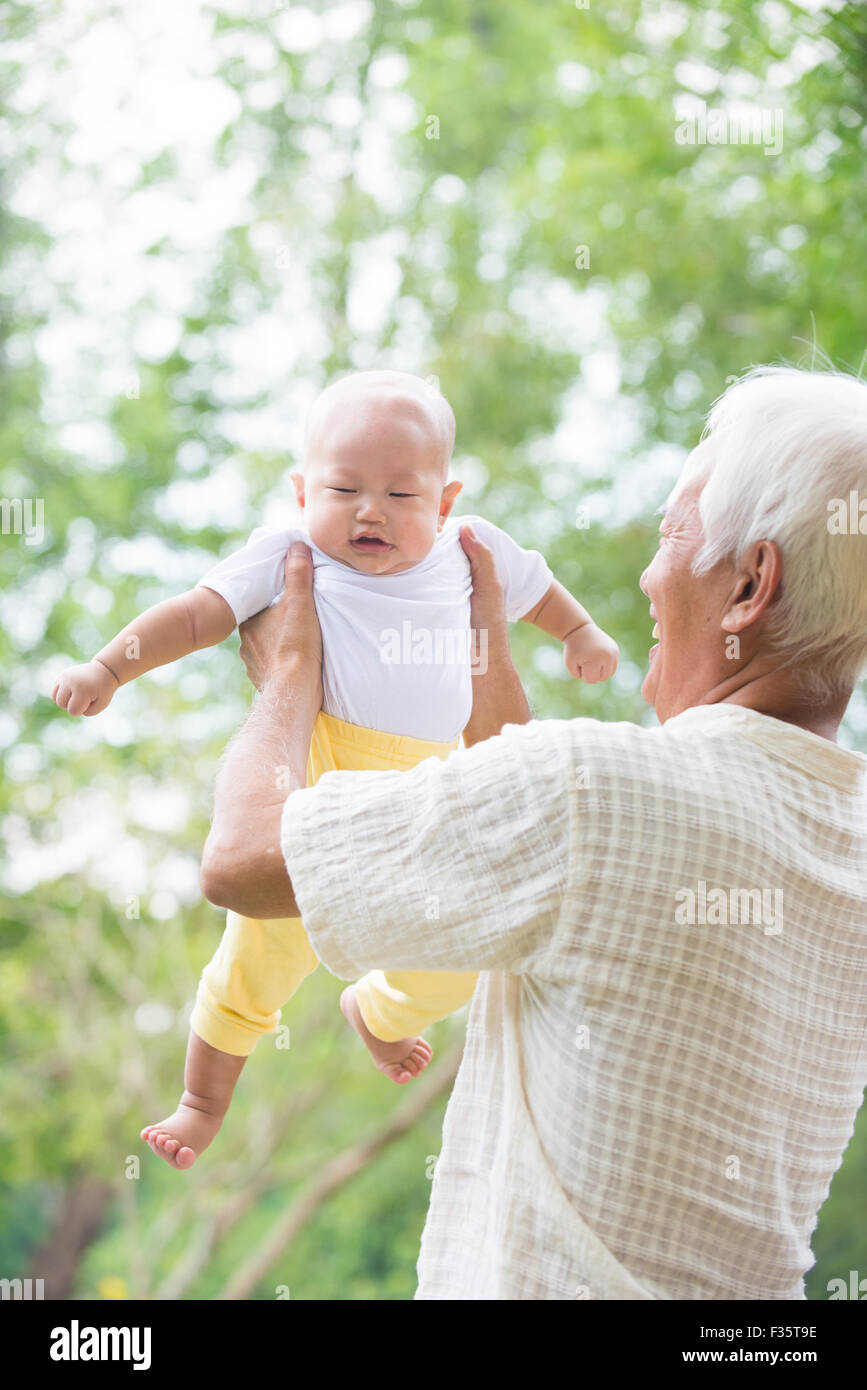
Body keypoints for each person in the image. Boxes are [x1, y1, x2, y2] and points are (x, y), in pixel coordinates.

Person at [170, 365, 867, 1299]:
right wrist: (484, 647)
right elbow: (528, 853)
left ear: (750, 586)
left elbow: (243, 862)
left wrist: (292, 672)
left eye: (671, 536)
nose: (647, 571)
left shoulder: (594, 795)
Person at [50, 368, 618, 1162]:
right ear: (300, 490)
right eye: (344, 488)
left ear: (446, 501)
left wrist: (581, 634)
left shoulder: (469, 549)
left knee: (461, 957)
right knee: (254, 959)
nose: (369, 512)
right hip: (316, 781)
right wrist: (108, 670)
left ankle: (380, 1014)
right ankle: (200, 1103)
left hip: (427, 787)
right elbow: (195, 614)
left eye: (402, 495)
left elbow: (541, 591)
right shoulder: (287, 555)